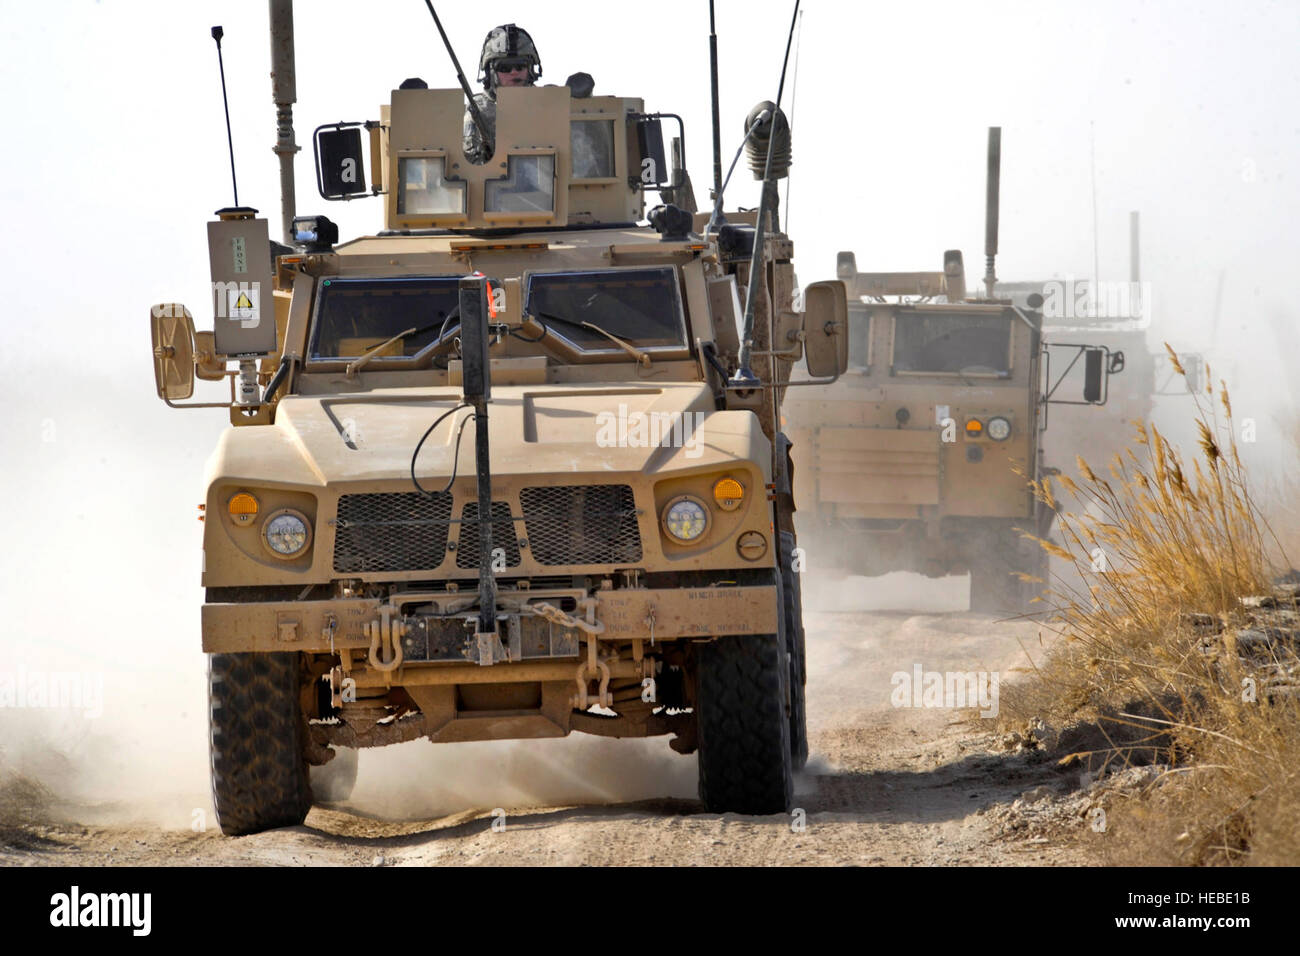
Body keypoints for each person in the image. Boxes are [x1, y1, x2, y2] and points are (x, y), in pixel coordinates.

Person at [463, 24, 542, 165]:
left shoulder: (548, 104)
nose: (513, 72)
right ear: (491, 72)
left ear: (530, 69)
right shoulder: (477, 110)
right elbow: (470, 162)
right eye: (504, 68)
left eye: (520, 66)